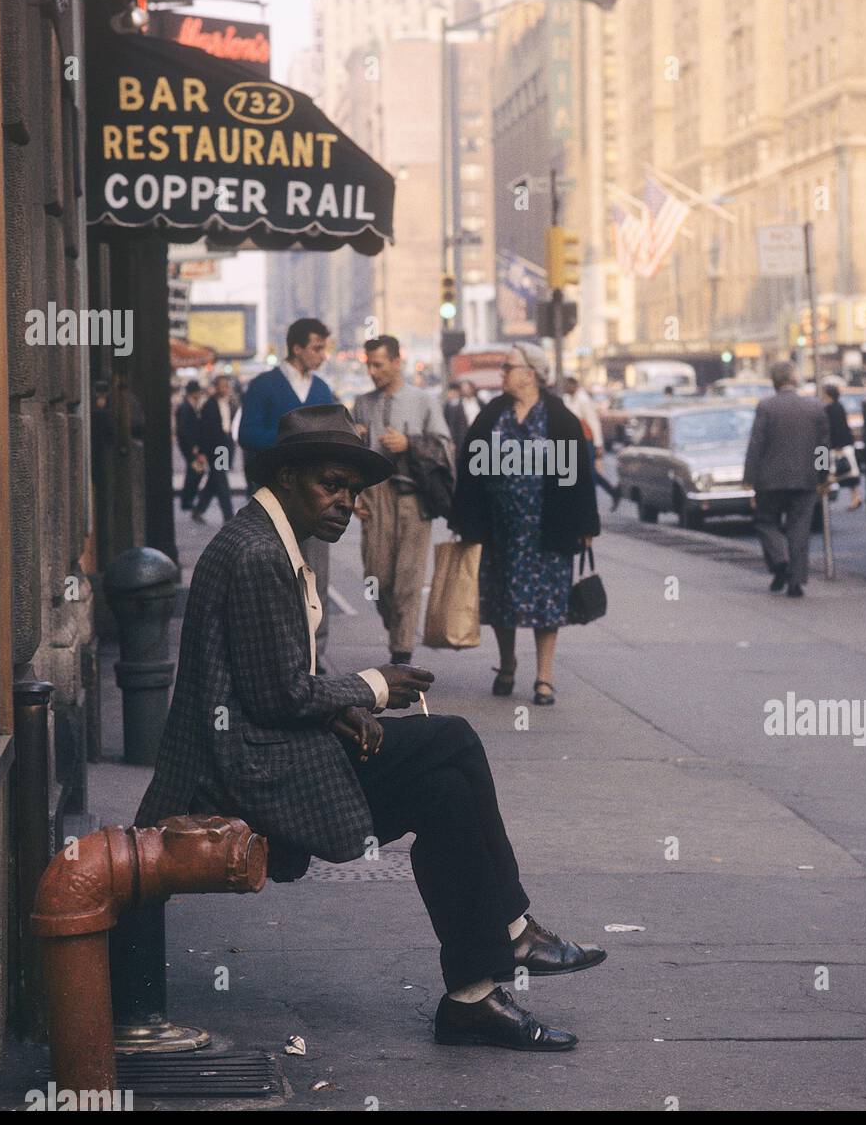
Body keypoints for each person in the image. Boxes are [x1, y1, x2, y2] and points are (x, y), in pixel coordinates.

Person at [134, 403, 606, 1051]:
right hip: (241, 770)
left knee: (445, 794)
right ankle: (514, 929)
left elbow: (275, 672)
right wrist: (373, 686)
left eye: (354, 491)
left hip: (263, 750)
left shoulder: (268, 540)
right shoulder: (255, 554)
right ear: (290, 476)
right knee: (453, 739)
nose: (347, 503)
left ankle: (472, 996)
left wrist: (343, 707)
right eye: (333, 484)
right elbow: (276, 695)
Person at [451, 343, 599, 707]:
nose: (502, 373)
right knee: (502, 601)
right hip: (501, 531)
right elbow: (470, 468)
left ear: (530, 374)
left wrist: (586, 525)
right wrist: (465, 520)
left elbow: (579, 475)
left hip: (547, 529)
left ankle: (544, 678)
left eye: (508, 367)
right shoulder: (493, 414)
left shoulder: (559, 417)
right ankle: (507, 665)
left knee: (547, 604)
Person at [239, 318, 336, 669]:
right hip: (275, 498)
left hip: (318, 499)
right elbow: (247, 435)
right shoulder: (264, 386)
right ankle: (280, 652)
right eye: (316, 348)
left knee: (317, 575)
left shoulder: (323, 389)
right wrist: (292, 440)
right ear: (296, 348)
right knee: (276, 573)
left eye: (324, 348)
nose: (322, 355)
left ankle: (315, 653)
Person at [351, 336, 452, 665]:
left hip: (411, 497)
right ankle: (398, 630)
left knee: (408, 580)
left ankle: (402, 652)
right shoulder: (363, 403)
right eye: (369, 364)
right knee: (378, 578)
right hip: (375, 496)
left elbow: (445, 449)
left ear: (397, 362)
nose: (373, 371)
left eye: (378, 364)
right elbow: (351, 455)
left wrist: (408, 442)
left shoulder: (423, 400)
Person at [743, 360, 830, 599]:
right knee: (799, 529)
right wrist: (822, 476)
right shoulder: (815, 408)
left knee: (765, 522)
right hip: (805, 480)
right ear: (795, 380)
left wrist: (749, 478)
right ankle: (796, 582)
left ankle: (780, 562)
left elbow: (756, 444)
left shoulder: (766, 407)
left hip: (769, 481)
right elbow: (822, 447)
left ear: (774, 382)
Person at [562, 374, 620, 511]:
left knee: (588, 472)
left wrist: (598, 444)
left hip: (586, 440)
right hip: (576, 440)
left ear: (573, 385)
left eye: (567, 385)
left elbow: (593, 422)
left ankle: (591, 502)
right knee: (587, 472)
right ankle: (613, 492)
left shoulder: (583, 400)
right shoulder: (571, 399)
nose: (565, 387)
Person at [193, 374, 237, 523]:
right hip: (216, 447)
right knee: (221, 480)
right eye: (221, 386)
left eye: (226, 385)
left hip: (226, 444)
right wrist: (202, 452)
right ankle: (229, 515)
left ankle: (198, 510)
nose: (225, 389)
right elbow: (204, 430)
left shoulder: (231, 403)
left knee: (214, 480)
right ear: (216, 387)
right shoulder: (209, 405)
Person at [821, 379, 862, 510]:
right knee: (849, 473)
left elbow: (835, 428)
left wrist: (837, 446)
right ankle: (856, 497)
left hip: (837, 446)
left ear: (828, 395)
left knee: (830, 474)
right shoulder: (839, 406)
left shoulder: (830, 409)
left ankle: (825, 503)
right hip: (844, 444)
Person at [175, 380, 207, 513]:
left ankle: (187, 500)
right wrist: (193, 445)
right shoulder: (186, 407)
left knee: (194, 471)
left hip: (190, 446)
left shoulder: (188, 405)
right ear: (193, 392)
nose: (200, 394)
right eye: (198, 392)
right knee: (196, 471)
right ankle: (186, 500)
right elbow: (183, 429)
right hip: (189, 447)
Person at [445, 379, 485, 453]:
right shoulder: (457, 405)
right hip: (464, 437)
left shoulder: (480, 403)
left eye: (468, 388)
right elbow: (453, 424)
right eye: (463, 389)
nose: (465, 390)